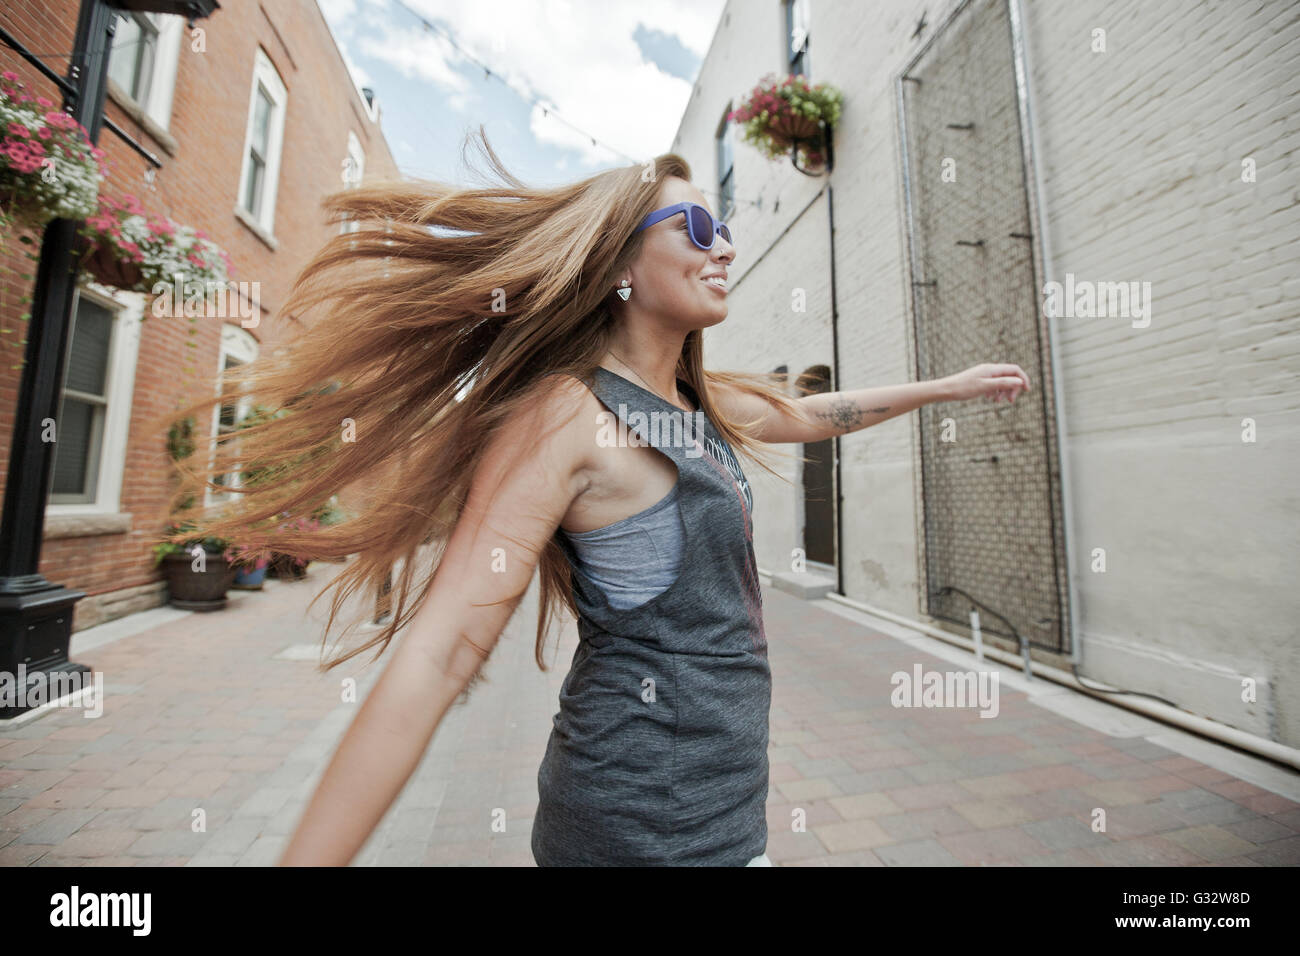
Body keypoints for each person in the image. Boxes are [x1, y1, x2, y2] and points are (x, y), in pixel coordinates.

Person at [162, 129, 1028, 866]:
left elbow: (807, 415)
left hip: (722, 811)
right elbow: (441, 654)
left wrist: (944, 389)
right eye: (695, 224)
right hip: (642, 826)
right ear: (618, 260)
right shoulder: (564, 417)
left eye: (722, 226)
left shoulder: (693, 406)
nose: (723, 245)